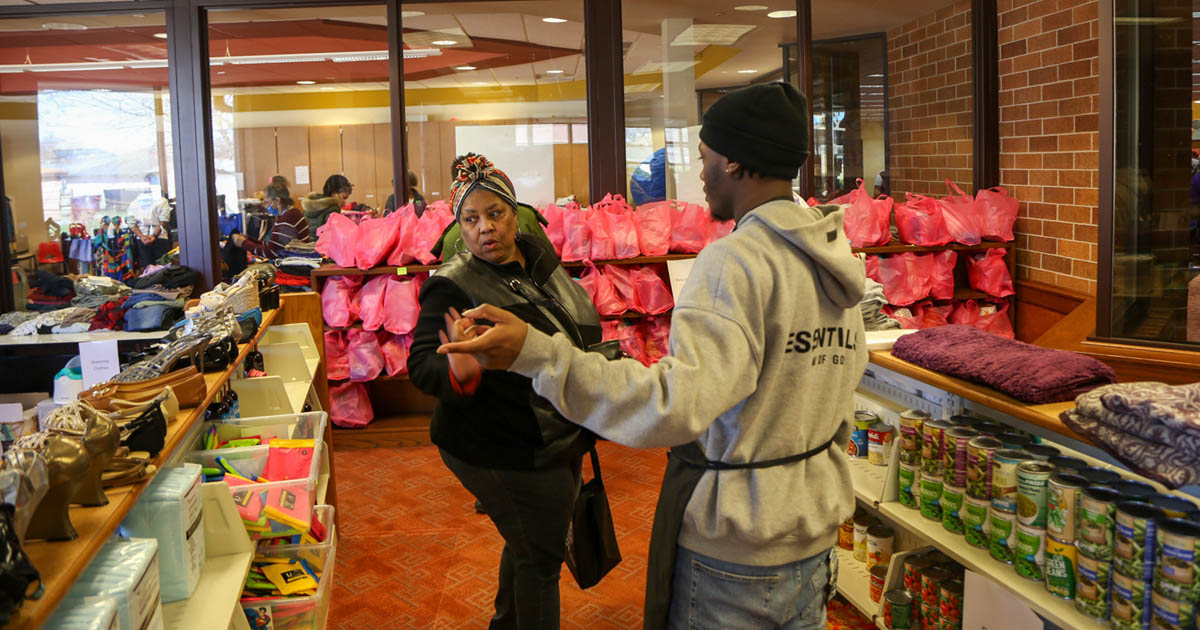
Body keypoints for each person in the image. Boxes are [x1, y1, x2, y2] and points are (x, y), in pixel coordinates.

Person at [437, 82, 869, 630]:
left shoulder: (734, 264)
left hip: (738, 549)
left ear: (735, 162)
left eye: (704, 158)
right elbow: (839, 384)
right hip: (814, 536)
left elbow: (672, 406)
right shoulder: (834, 260)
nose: (700, 173)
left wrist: (537, 354)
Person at [407, 152, 601, 630]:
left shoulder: (541, 263)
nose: (484, 229)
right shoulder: (452, 286)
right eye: (470, 219)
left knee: (529, 544)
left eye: (495, 214)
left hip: (557, 430)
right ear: (459, 227)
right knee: (540, 560)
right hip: (499, 444)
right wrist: (459, 372)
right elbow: (421, 364)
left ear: (517, 215)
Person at [231, 181, 310, 259]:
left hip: (293, 268)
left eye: (266, 202)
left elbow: (272, 252)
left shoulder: (288, 218)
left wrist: (243, 243)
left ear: (277, 201)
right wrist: (248, 240)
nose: (265, 207)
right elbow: (273, 246)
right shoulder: (292, 214)